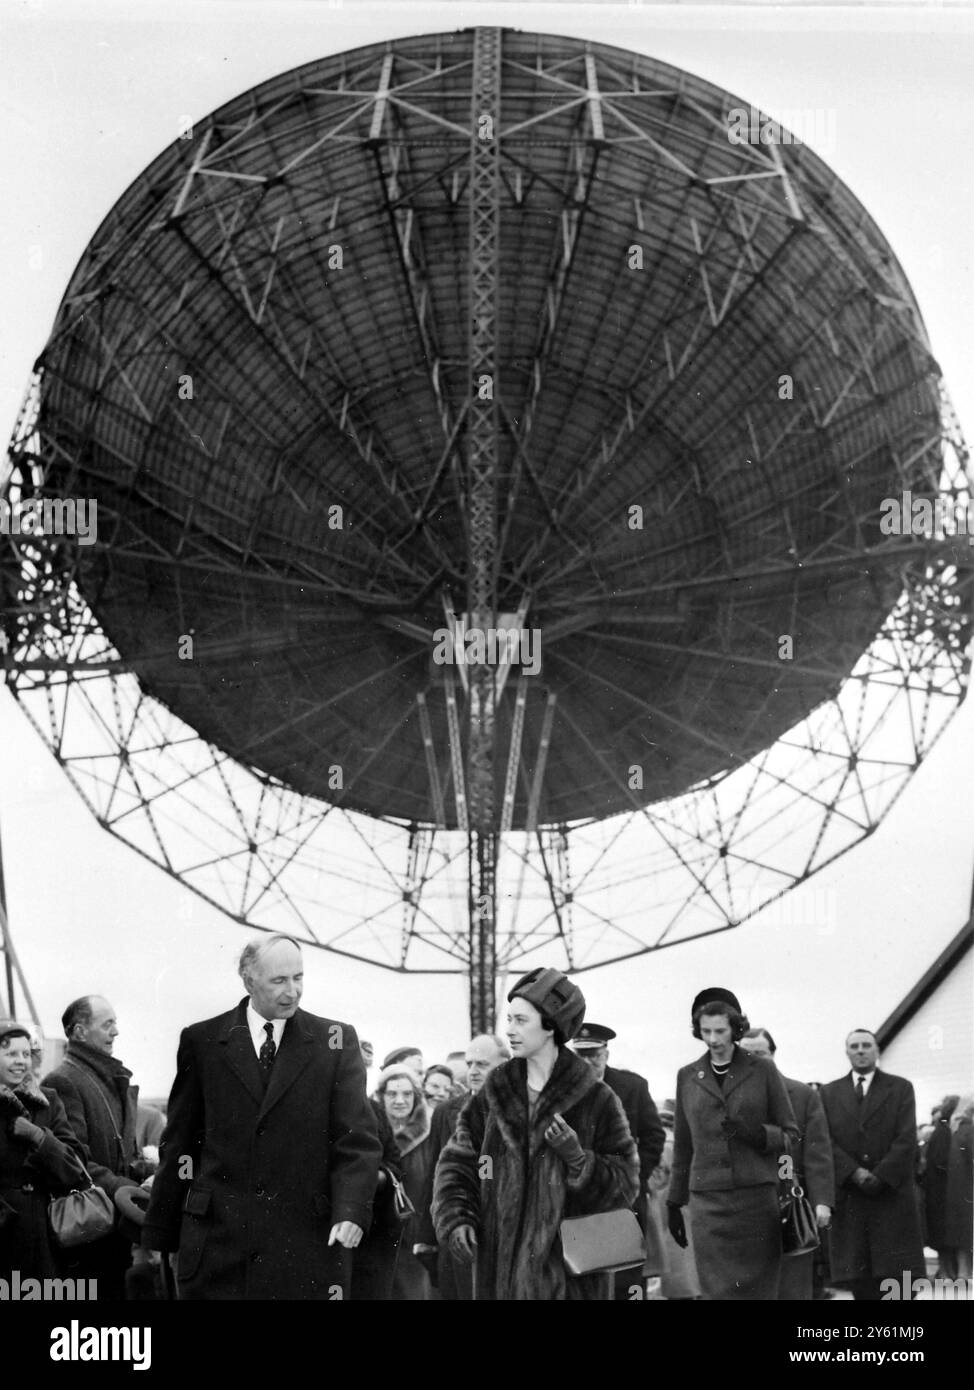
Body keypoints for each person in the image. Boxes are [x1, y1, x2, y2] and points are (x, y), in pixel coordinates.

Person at [142, 933, 381, 1299]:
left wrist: (350, 1210)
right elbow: (181, 1144)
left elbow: (357, 1141)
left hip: (304, 1249)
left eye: (298, 977)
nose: (293, 991)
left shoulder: (335, 1040)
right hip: (217, 1252)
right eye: (279, 980)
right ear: (248, 979)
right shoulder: (202, 1041)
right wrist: (160, 1232)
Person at [433, 967, 639, 1300]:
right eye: (509, 1020)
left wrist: (578, 1159)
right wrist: (457, 1216)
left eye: (521, 1021)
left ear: (551, 1025)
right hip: (499, 1272)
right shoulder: (494, 1091)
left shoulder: (596, 1099)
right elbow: (457, 1163)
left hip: (569, 1279)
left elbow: (625, 1184)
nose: (510, 1030)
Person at [666, 987, 799, 1300]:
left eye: (720, 1031)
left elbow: (792, 1133)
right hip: (708, 1204)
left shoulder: (762, 1069)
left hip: (755, 1202)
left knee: (758, 1292)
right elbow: (683, 1147)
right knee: (716, 1292)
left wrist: (757, 1134)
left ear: (736, 1029)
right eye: (706, 1031)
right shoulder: (687, 1076)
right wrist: (674, 1202)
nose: (713, 1039)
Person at [43, 995, 150, 1299]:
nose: (116, 1032)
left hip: (114, 1226)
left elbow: (120, 1153)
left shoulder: (104, 1079)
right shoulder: (63, 1080)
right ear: (79, 1032)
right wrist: (124, 1187)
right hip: (89, 1231)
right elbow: (74, 1161)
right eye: (107, 1024)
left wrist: (148, 1172)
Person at [819, 1029, 925, 1301]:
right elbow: (825, 1141)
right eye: (854, 1046)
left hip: (891, 1198)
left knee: (899, 1285)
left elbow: (906, 1140)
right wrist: (853, 1173)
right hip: (853, 1203)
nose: (861, 1050)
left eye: (867, 1045)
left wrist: (879, 1176)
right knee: (862, 1284)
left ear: (877, 1050)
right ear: (847, 1052)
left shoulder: (900, 1088)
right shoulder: (829, 1093)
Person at [570, 1021, 665, 1298]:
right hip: (580, 1204)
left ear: (606, 1055)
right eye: (580, 1056)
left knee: (628, 1281)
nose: (587, 1063)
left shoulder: (631, 1087)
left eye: (594, 1056)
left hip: (624, 1203)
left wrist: (633, 1177)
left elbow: (653, 1137)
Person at [414, 1033, 511, 1299]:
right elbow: (434, 1173)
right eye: (469, 1064)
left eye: (482, 1064)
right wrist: (426, 1238)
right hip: (457, 1232)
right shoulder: (447, 1112)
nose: (473, 1072)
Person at [740, 1026, 834, 1299]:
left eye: (760, 1053)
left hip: (792, 1204)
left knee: (793, 1285)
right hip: (744, 1205)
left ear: (772, 1054)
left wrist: (822, 1201)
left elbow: (819, 1152)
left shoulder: (802, 1095)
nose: (754, 1059)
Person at [1, 1021, 88, 1286]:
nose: (21, 1062)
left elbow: (77, 1166)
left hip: (44, 1238)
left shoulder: (48, 1101)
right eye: (11, 1054)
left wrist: (39, 1137)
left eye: (26, 1054)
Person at [375, 1063, 434, 1299]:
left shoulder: (429, 1133)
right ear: (381, 1096)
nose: (400, 1100)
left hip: (414, 1233)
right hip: (377, 1233)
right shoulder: (368, 1131)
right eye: (392, 1093)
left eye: (407, 1093)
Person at [922, 1093, 959, 1275]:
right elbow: (941, 1161)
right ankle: (947, 1272)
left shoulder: (942, 1130)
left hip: (939, 1191)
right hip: (942, 1192)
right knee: (944, 1233)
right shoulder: (945, 1131)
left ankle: (947, 1271)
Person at [942, 1093, 973, 1282]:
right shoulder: (970, 1130)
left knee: (961, 1232)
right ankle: (964, 1273)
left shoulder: (957, 1130)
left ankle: (963, 1272)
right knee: (966, 1233)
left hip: (956, 1190)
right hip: (968, 1190)